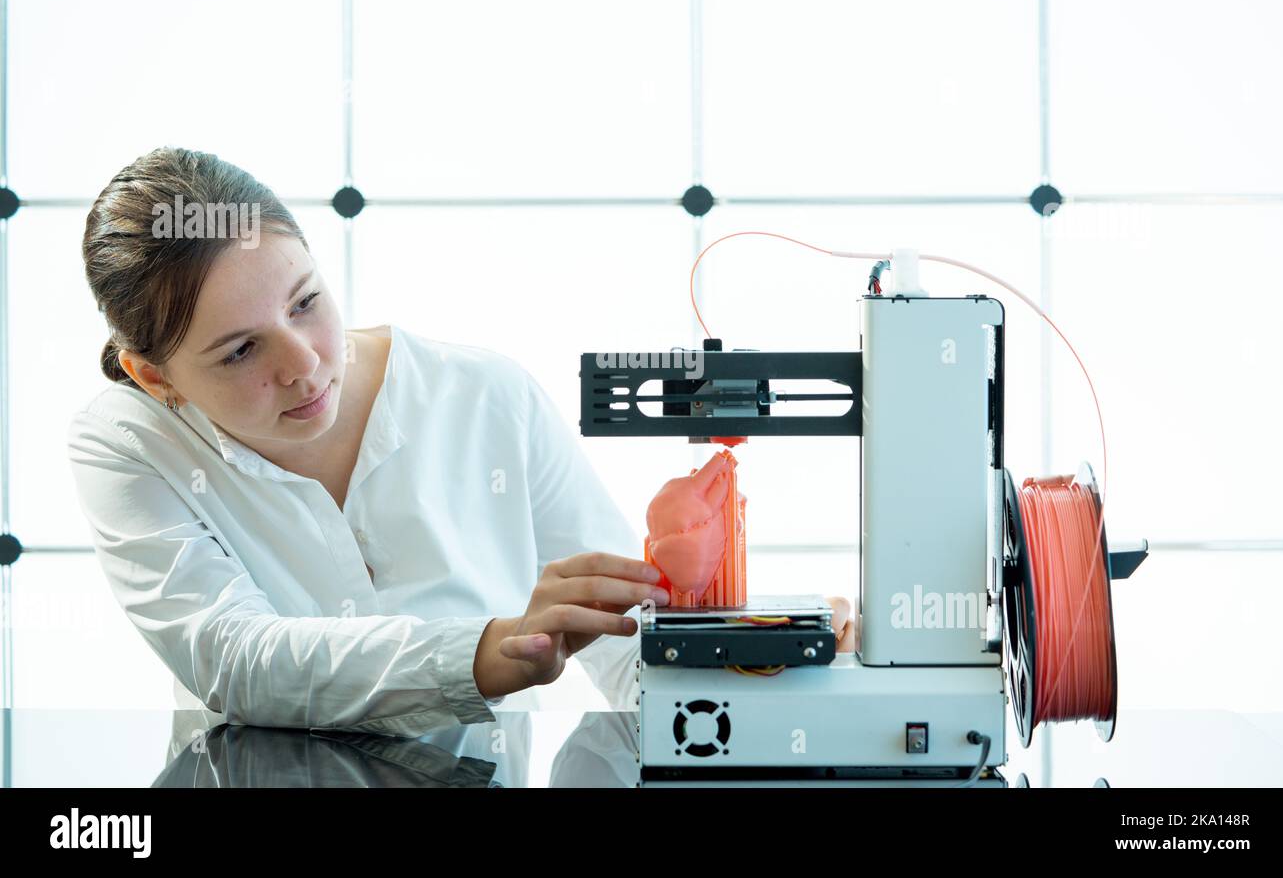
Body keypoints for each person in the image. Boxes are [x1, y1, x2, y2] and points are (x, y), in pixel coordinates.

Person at [68, 146, 854, 736]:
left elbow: (627, 653)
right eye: (241, 351)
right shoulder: (128, 442)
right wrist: (482, 652)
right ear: (152, 375)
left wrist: (775, 666)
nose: (304, 364)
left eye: (307, 300)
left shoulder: (487, 398)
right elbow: (232, 656)